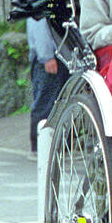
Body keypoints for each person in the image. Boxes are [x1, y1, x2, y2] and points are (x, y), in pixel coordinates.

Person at [26, 17, 68, 159]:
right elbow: (39, 27)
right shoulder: (40, 1)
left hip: (55, 56)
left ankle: (53, 146)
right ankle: (38, 146)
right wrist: (47, 57)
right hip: (48, 58)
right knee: (45, 102)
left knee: (55, 102)